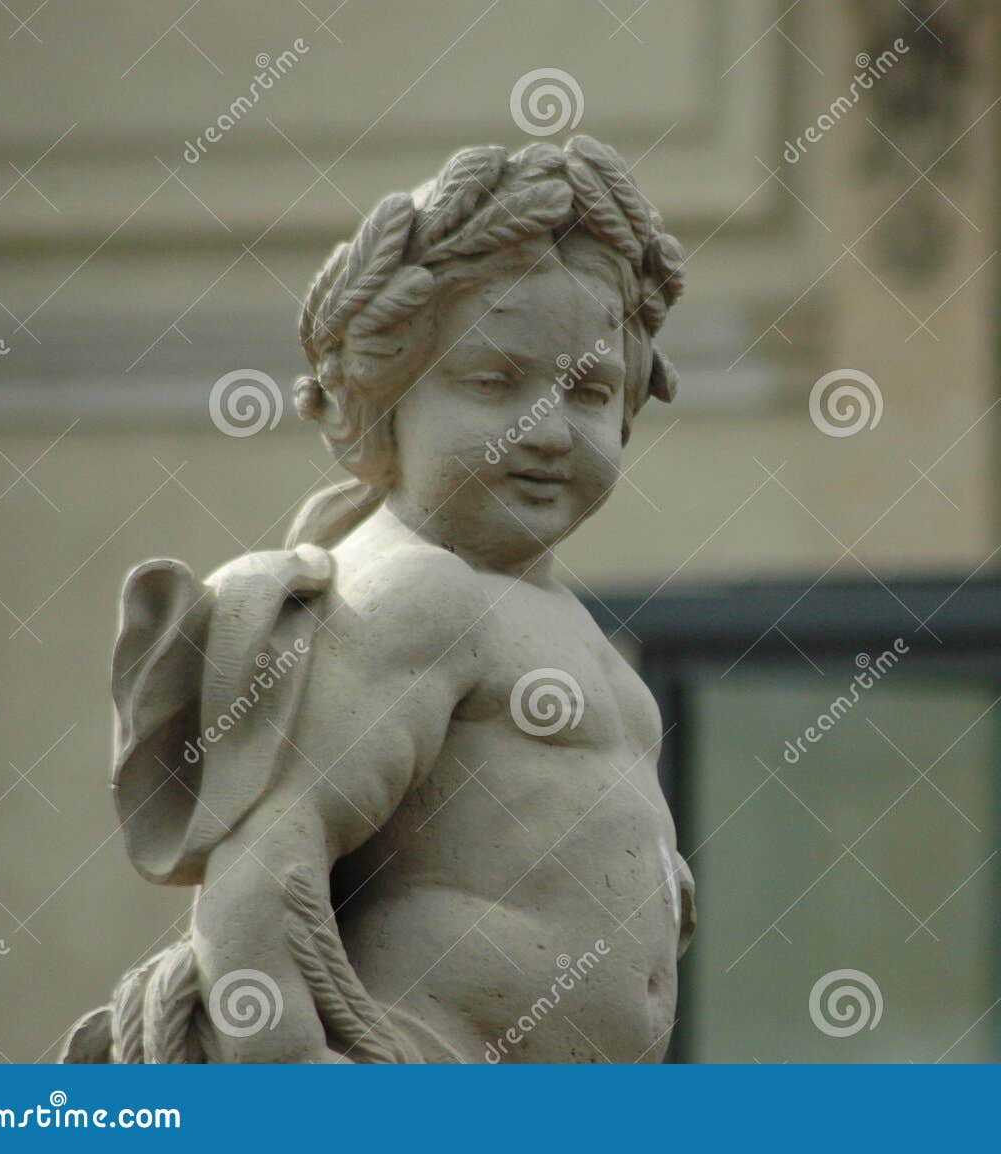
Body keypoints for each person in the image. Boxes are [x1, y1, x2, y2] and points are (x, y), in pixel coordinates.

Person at [62, 135, 693, 1063]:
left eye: (590, 391)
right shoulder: (414, 592)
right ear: (383, 400)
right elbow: (270, 856)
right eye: (493, 382)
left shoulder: (561, 620)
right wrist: (291, 1070)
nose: (549, 430)